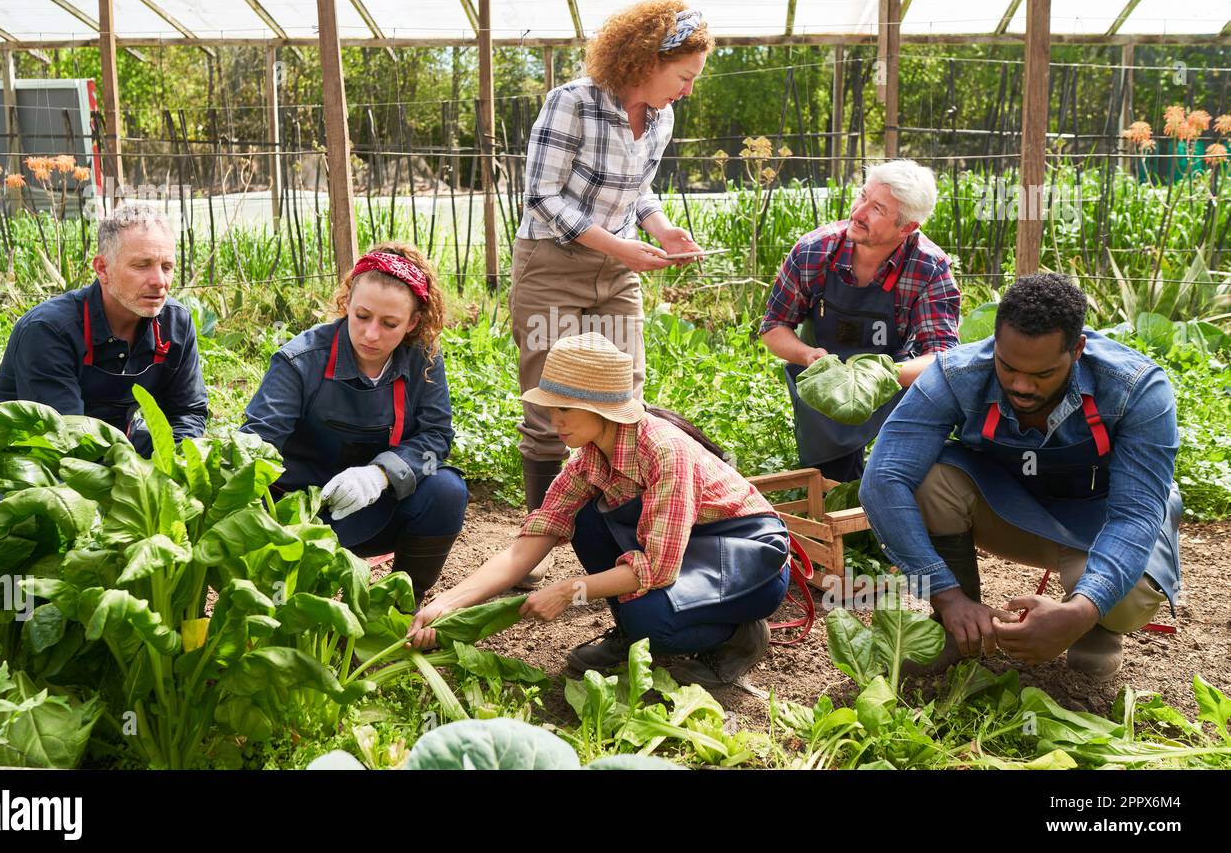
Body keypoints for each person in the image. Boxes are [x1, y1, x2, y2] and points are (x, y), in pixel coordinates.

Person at [407, 333, 791, 688]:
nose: (554, 420)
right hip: (686, 551)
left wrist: (569, 591)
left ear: (605, 409)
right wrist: (447, 605)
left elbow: (657, 568)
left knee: (653, 624)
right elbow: (527, 546)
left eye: (565, 409)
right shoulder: (589, 460)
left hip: (745, 561)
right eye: (551, 407)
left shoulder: (663, 452)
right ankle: (634, 630)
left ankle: (739, 635)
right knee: (588, 519)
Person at [859, 274, 1181, 681]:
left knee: (1128, 597)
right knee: (926, 478)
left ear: (1077, 349)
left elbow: (1135, 515)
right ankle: (958, 626)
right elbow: (883, 478)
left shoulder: (1136, 389)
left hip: (1100, 524)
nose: (1021, 385)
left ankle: (1095, 627)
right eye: (1007, 367)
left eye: (1042, 374)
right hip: (1011, 510)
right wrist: (945, 594)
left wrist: (1081, 610)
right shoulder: (956, 375)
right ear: (995, 342)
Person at [512, 0, 714, 586]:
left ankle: (623, 530)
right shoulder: (571, 103)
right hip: (553, 262)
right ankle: (537, 542)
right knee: (553, 401)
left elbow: (639, 192)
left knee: (623, 394)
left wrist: (659, 228)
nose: (688, 90)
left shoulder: (661, 116)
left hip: (616, 269)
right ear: (646, 59)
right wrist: (619, 246)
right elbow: (544, 198)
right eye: (684, 76)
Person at [241, 244, 467, 604]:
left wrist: (380, 475)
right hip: (303, 514)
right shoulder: (299, 361)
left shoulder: (422, 358)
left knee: (446, 491)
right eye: (361, 316)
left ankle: (403, 604)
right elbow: (254, 445)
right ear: (346, 303)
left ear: (412, 323)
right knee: (291, 610)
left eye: (389, 324)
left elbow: (436, 437)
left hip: (380, 503)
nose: (370, 334)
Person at [0, 202, 207, 516]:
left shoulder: (175, 324)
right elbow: (62, 437)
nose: (159, 281)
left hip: (112, 448)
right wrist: (134, 486)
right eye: (142, 265)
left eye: (166, 266)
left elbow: (187, 412)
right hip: (22, 454)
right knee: (46, 518)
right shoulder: (49, 330)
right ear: (102, 269)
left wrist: (174, 469)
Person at [760, 160, 960, 482]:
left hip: (894, 379)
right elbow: (773, 327)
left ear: (906, 227)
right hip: (823, 378)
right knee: (832, 480)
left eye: (877, 209)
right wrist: (806, 355)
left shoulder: (929, 267)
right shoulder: (814, 251)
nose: (858, 212)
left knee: (895, 477)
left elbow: (941, 357)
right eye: (862, 196)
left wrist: (877, 374)